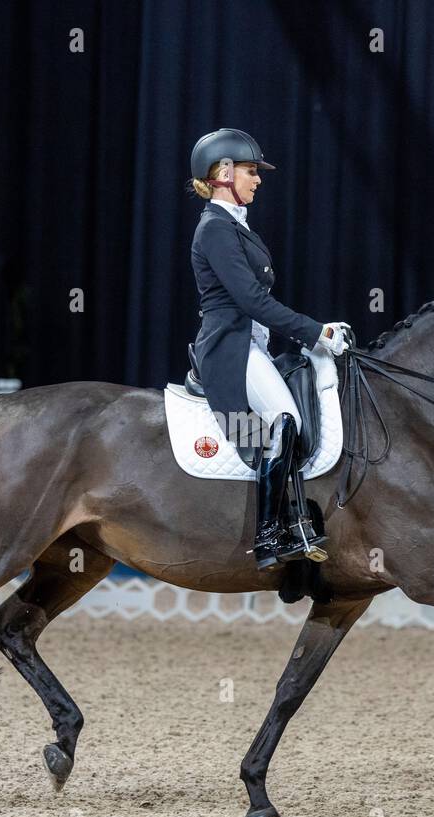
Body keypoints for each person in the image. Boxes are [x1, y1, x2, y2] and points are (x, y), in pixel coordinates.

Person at [188, 128, 350, 569]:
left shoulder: (235, 227)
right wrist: (318, 333)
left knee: (294, 413)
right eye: (250, 170)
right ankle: (268, 535)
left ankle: (298, 521)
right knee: (286, 418)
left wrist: (316, 331)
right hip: (229, 349)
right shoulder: (216, 229)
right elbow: (252, 301)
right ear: (223, 173)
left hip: (251, 344)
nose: (257, 180)